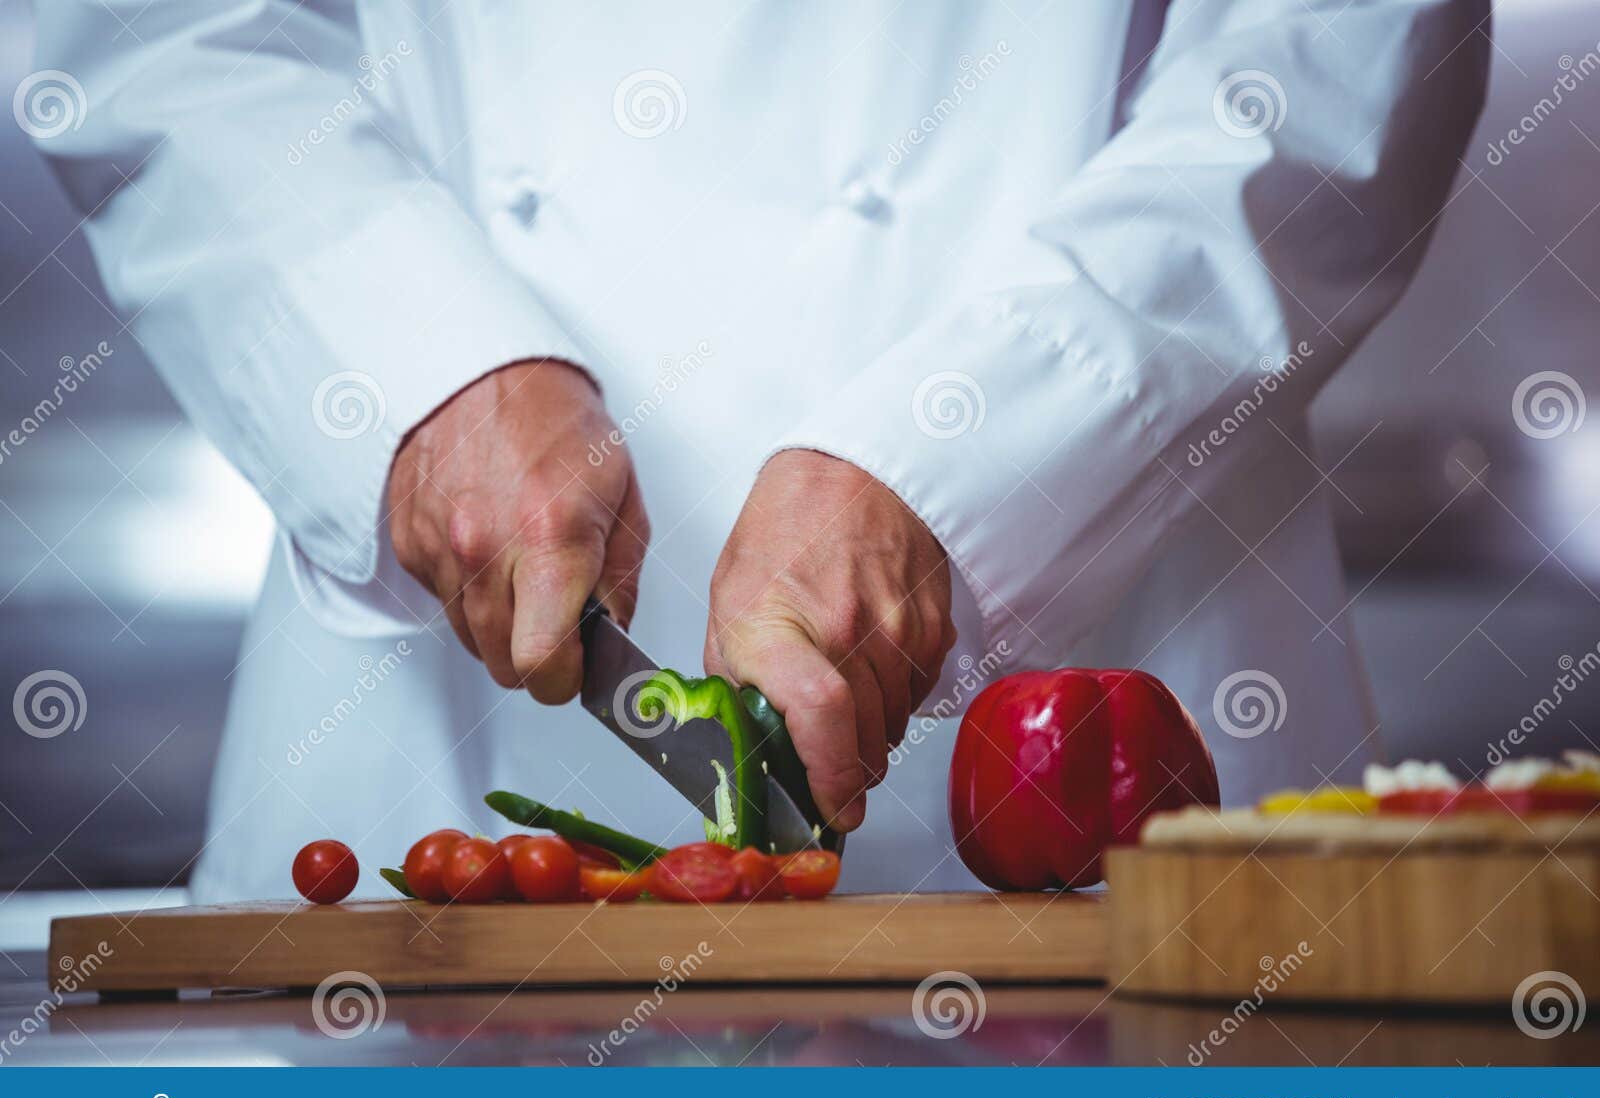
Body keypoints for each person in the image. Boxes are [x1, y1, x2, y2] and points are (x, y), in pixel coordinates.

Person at [34, 1, 1489, 899]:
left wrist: (972, 438)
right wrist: (417, 370)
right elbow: (158, 32)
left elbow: (1343, 53)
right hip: (426, 764)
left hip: (1119, 652)